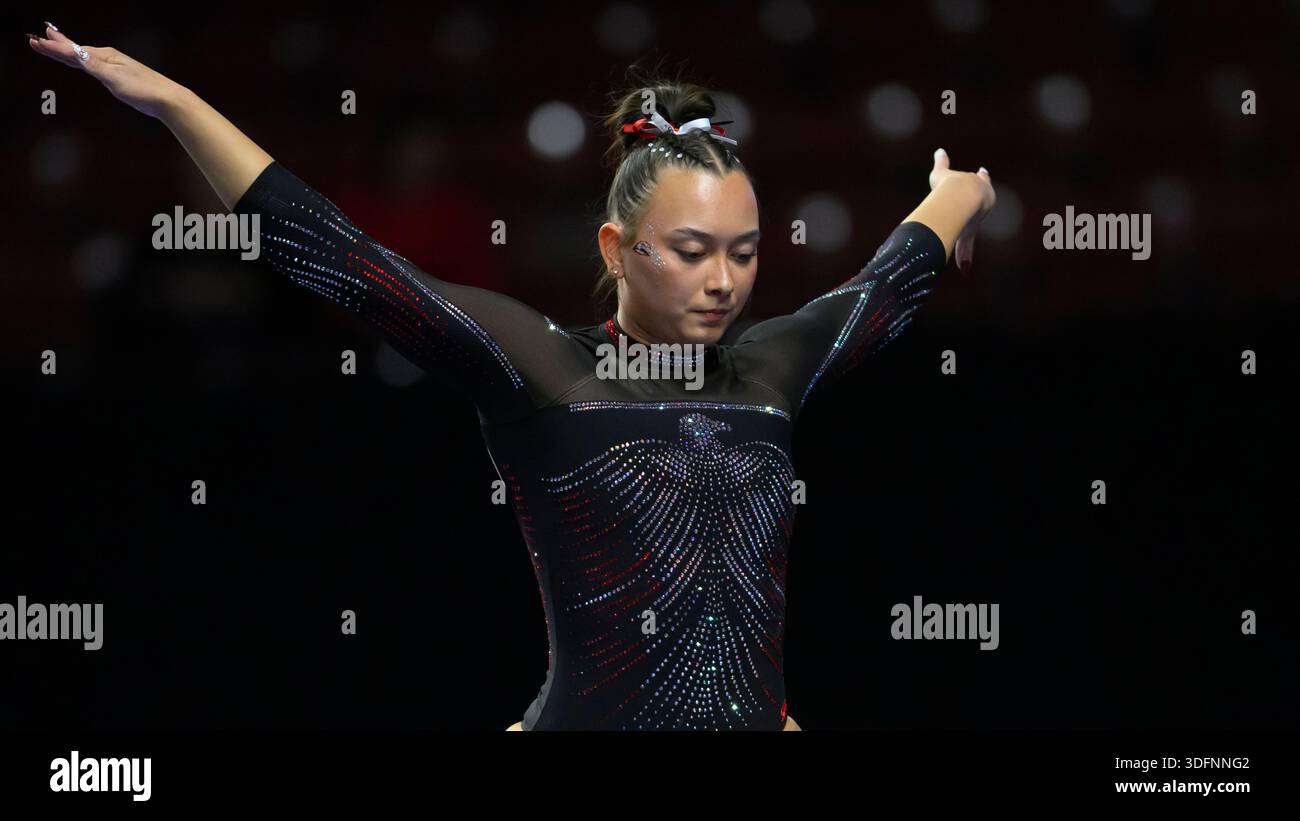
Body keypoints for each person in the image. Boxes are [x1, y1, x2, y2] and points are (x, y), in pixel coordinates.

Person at [29, 28, 995, 731]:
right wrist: (175, 103)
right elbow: (337, 255)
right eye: (693, 250)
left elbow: (889, 283)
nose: (722, 280)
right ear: (620, 248)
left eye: (743, 253)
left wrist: (955, 196)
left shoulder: (772, 369)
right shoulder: (544, 366)